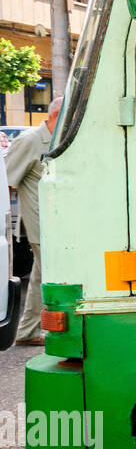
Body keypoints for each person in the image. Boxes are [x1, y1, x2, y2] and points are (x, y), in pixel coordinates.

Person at [8, 96, 61, 345]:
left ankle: (27, 332)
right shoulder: (30, 140)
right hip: (40, 223)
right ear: (56, 114)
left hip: (54, 223)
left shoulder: (56, 140)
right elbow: (6, 180)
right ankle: (29, 331)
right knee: (48, 275)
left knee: (42, 276)